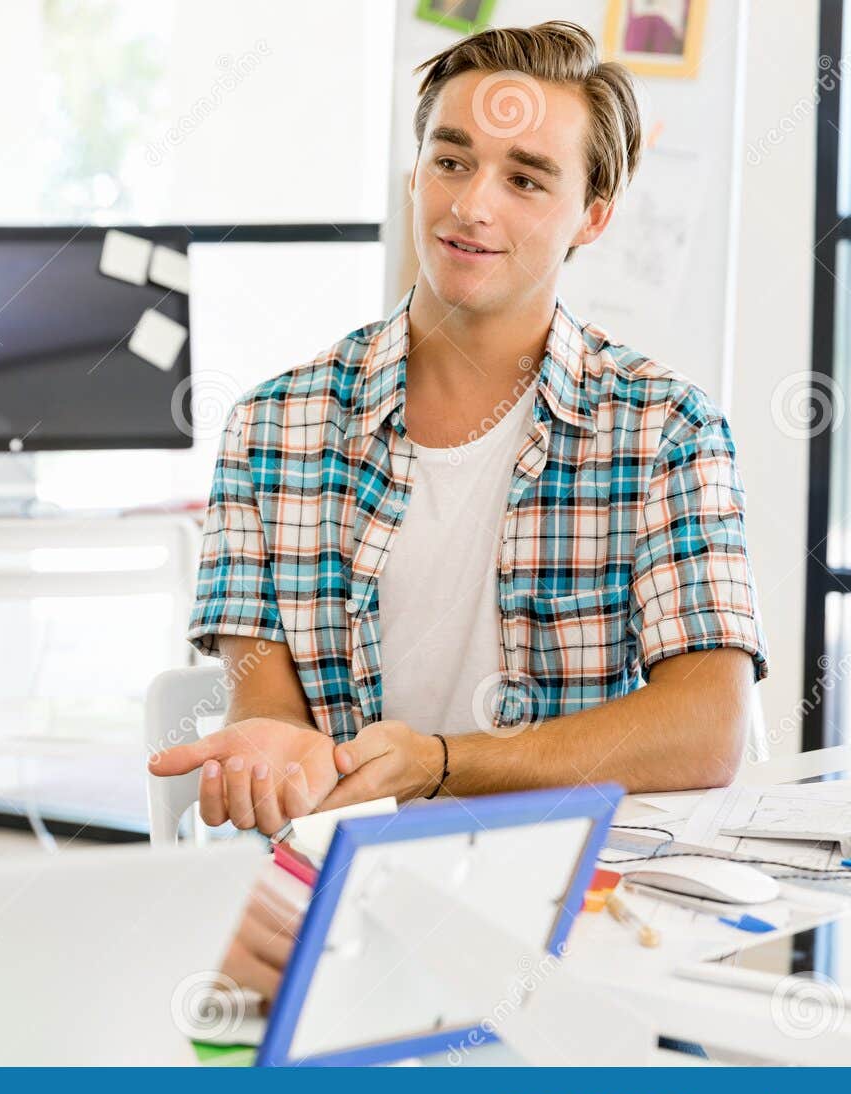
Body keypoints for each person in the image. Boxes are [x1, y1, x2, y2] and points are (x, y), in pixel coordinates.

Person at [149, 22, 769, 1000]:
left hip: (583, 936)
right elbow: (266, 703)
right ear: (415, 174)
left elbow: (706, 725)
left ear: (592, 215)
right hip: (347, 925)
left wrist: (442, 764)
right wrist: (277, 752)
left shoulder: (665, 429)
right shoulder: (272, 426)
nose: (472, 204)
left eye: (525, 178)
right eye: (450, 160)